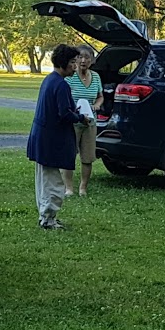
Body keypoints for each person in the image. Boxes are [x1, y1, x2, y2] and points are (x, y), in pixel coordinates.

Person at [26, 44, 88, 230]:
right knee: (52, 181)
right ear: (63, 63)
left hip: (42, 137)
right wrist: (80, 118)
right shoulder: (60, 84)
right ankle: (48, 218)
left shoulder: (49, 80)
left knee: (44, 179)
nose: (75, 66)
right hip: (50, 140)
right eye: (72, 62)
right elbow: (64, 114)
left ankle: (45, 215)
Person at [64, 44, 105, 196]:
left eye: (87, 57)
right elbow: (64, 97)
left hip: (90, 122)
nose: (83, 60)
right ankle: (68, 188)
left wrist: (96, 105)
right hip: (73, 122)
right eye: (80, 57)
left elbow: (101, 96)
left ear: (92, 60)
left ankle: (83, 188)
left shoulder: (95, 77)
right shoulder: (70, 76)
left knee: (87, 157)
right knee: (69, 155)